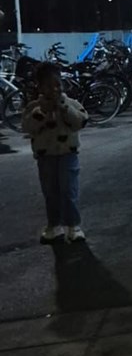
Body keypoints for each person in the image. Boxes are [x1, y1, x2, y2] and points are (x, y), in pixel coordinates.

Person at [21, 61, 88, 242]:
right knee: (50, 192)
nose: (55, 89)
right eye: (49, 86)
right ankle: (54, 225)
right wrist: (41, 112)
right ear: (40, 87)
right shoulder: (34, 107)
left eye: (58, 84)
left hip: (68, 154)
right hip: (46, 156)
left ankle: (73, 225)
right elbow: (27, 127)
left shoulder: (71, 103)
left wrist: (64, 107)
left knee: (69, 190)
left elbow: (80, 121)